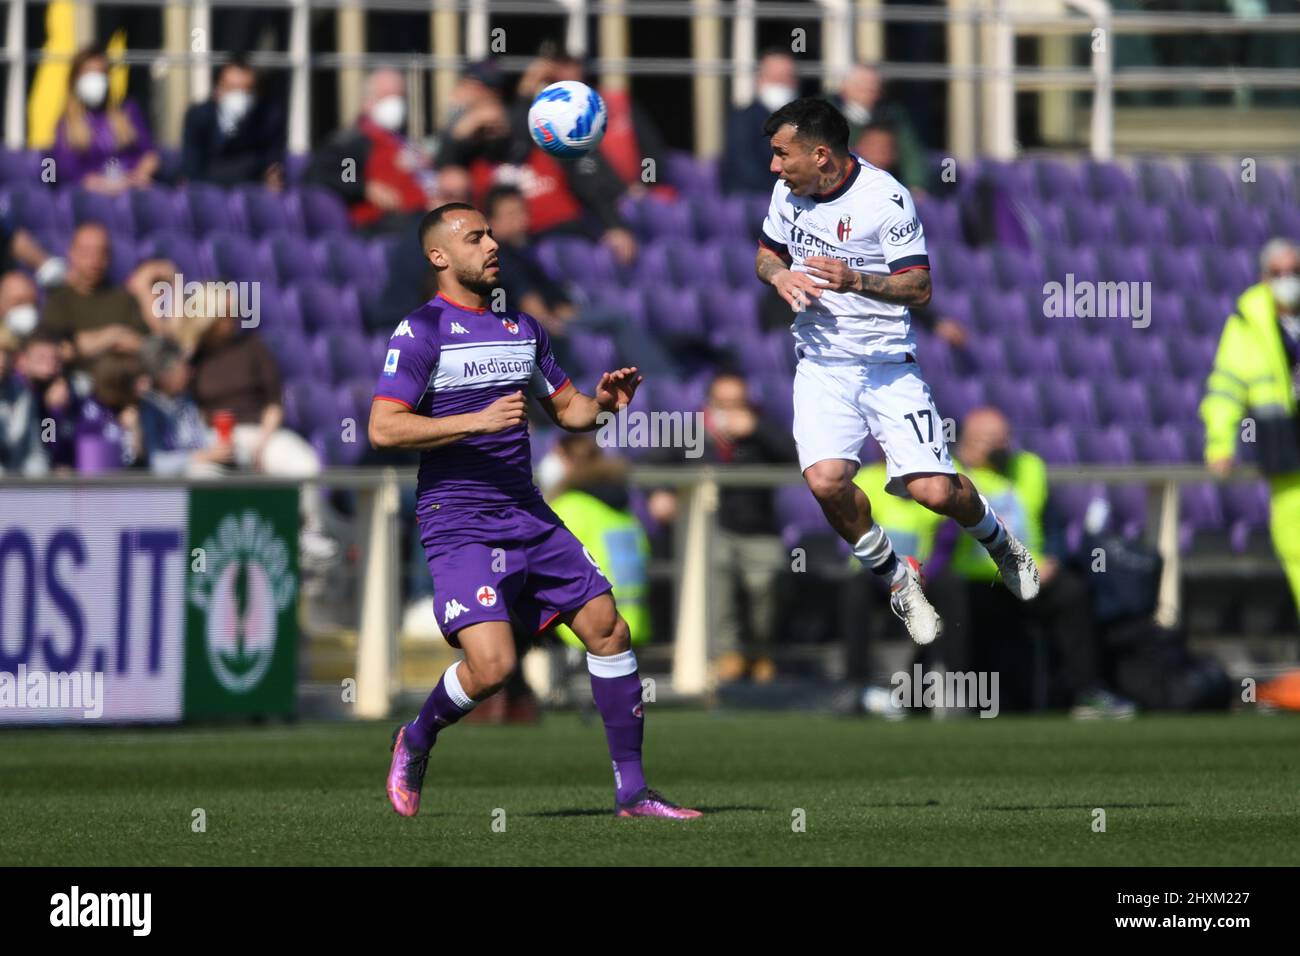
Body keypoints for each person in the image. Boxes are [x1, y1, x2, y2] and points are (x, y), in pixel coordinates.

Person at [369, 201, 698, 820]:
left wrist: (604, 403)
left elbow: (567, 409)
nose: (492, 244)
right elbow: (384, 427)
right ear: (439, 256)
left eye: (492, 233)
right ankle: (414, 738)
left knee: (608, 628)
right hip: (459, 516)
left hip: (524, 510)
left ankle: (633, 792)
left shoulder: (521, 328)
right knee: (492, 668)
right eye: (475, 238)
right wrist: (475, 422)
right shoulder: (422, 332)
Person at [753, 98, 1039, 646]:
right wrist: (779, 277)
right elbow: (766, 253)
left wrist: (855, 278)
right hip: (821, 366)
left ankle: (999, 542)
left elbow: (920, 287)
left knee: (933, 491)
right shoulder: (787, 192)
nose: (773, 166)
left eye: (781, 154)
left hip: (886, 368)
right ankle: (899, 582)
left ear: (820, 153)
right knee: (826, 481)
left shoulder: (885, 199)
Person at [930, 408, 1135, 717]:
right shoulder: (948, 474)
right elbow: (939, 537)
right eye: (988, 440)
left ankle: (1087, 692)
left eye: (1003, 439)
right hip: (975, 578)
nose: (998, 446)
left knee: (1072, 592)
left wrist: (1054, 559)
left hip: (1028, 576)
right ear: (967, 442)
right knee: (956, 597)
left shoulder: (1028, 468)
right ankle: (961, 695)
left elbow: (1053, 526)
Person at [646, 372, 797, 683]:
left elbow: (797, 458)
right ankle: (727, 656)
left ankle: (761, 652)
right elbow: (651, 464)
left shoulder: (763, 430)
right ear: (710, 403)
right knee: (716, 588)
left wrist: (758, 430)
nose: (730, 410)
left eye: (737, 403)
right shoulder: (692, 431)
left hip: (759, 527)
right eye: (723, 403)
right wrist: (659, 491)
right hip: (709, 529)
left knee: (765, 585)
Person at [1202, 237, 1300, 618]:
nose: (1288, 280)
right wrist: (1220, 445)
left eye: (1294, 272)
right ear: (1264, 278)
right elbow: (1225, 392)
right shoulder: (1248, 323)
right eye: (1279, 274)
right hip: (1287, 457)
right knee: (1296, 548)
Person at [190, 308, 337, 560]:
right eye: (225, 313)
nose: (233, 318)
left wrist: (262, 442)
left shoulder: (252, 347)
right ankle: (215, 545)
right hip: (214, 435)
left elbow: (273, 403)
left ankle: (310, 531)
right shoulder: (194, 357)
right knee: (200, 475)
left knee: (305, 465)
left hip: (261, 433)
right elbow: (189, 407)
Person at [305, 68, 437, 232]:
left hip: (421, 212)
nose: (395, 103)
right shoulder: (355, 141)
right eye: (387, 96)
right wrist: (366, 188)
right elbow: (338, 174)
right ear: (368, 101)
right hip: (383, 222)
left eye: (399, 96)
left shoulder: (400, 139)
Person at [38, 222, 157, 367]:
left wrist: (87, 343)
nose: (95, 260)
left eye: (102, 252)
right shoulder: (58, 301)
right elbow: (60, 351)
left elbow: (143, 344)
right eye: (86, 252)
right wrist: (112, 336)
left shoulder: (124, 299)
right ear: (72, 254)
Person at [50, 46, 159, 193]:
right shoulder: (66, 125)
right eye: (89, 73)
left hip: (132, 191)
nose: (96, 79)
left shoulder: (127, 111)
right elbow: (69, 172)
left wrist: (139, 175)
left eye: (101, 73)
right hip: (93, 197)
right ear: (75, 79)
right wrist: (106, 185)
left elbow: (150, 154)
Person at [181, 55, 286, 188]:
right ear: (217, 89)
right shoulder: (199, 115)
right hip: (208, 191)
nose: (240, 96)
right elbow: (191, 167)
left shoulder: (269, 117)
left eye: (247, 90)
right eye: (233, 88)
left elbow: (272, 164)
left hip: (249, 193)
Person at [137, 335, 233, 476]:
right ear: (165, 375)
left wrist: (219, 448)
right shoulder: (148, 409)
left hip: (200, 465)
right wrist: (201, 457)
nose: (190, 372)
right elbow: (157, 463)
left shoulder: (186, 401)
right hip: (171, 484)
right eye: (183, 366)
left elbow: (200, 440)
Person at [834, 65, 928, 192]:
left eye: (873, 87)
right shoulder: (827, 112)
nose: (869, 90)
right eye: (862, 86)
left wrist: (916, 184)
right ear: (845, 88)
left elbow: (910, 152)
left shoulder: (893, 114)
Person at [722, 50, 798, 195]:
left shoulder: (805, 120)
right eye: (774, 78)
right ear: (759, 80)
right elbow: (743, 165)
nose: (780, 84)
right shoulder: (743, 118)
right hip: (753, 199)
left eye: (785, 78)